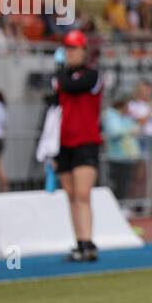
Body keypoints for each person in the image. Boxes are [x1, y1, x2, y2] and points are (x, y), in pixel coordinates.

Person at [53, 30, 104, 260]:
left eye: (74, 48)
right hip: (64, 142)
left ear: (84, 51)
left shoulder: (92, 76)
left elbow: (73, 86)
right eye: (68, 49)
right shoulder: (61, 79)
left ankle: (88, 240)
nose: (70, 53)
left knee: (83, 194)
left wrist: (60, 74)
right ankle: (79, 241)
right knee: (71, 195)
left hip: (86, 141)